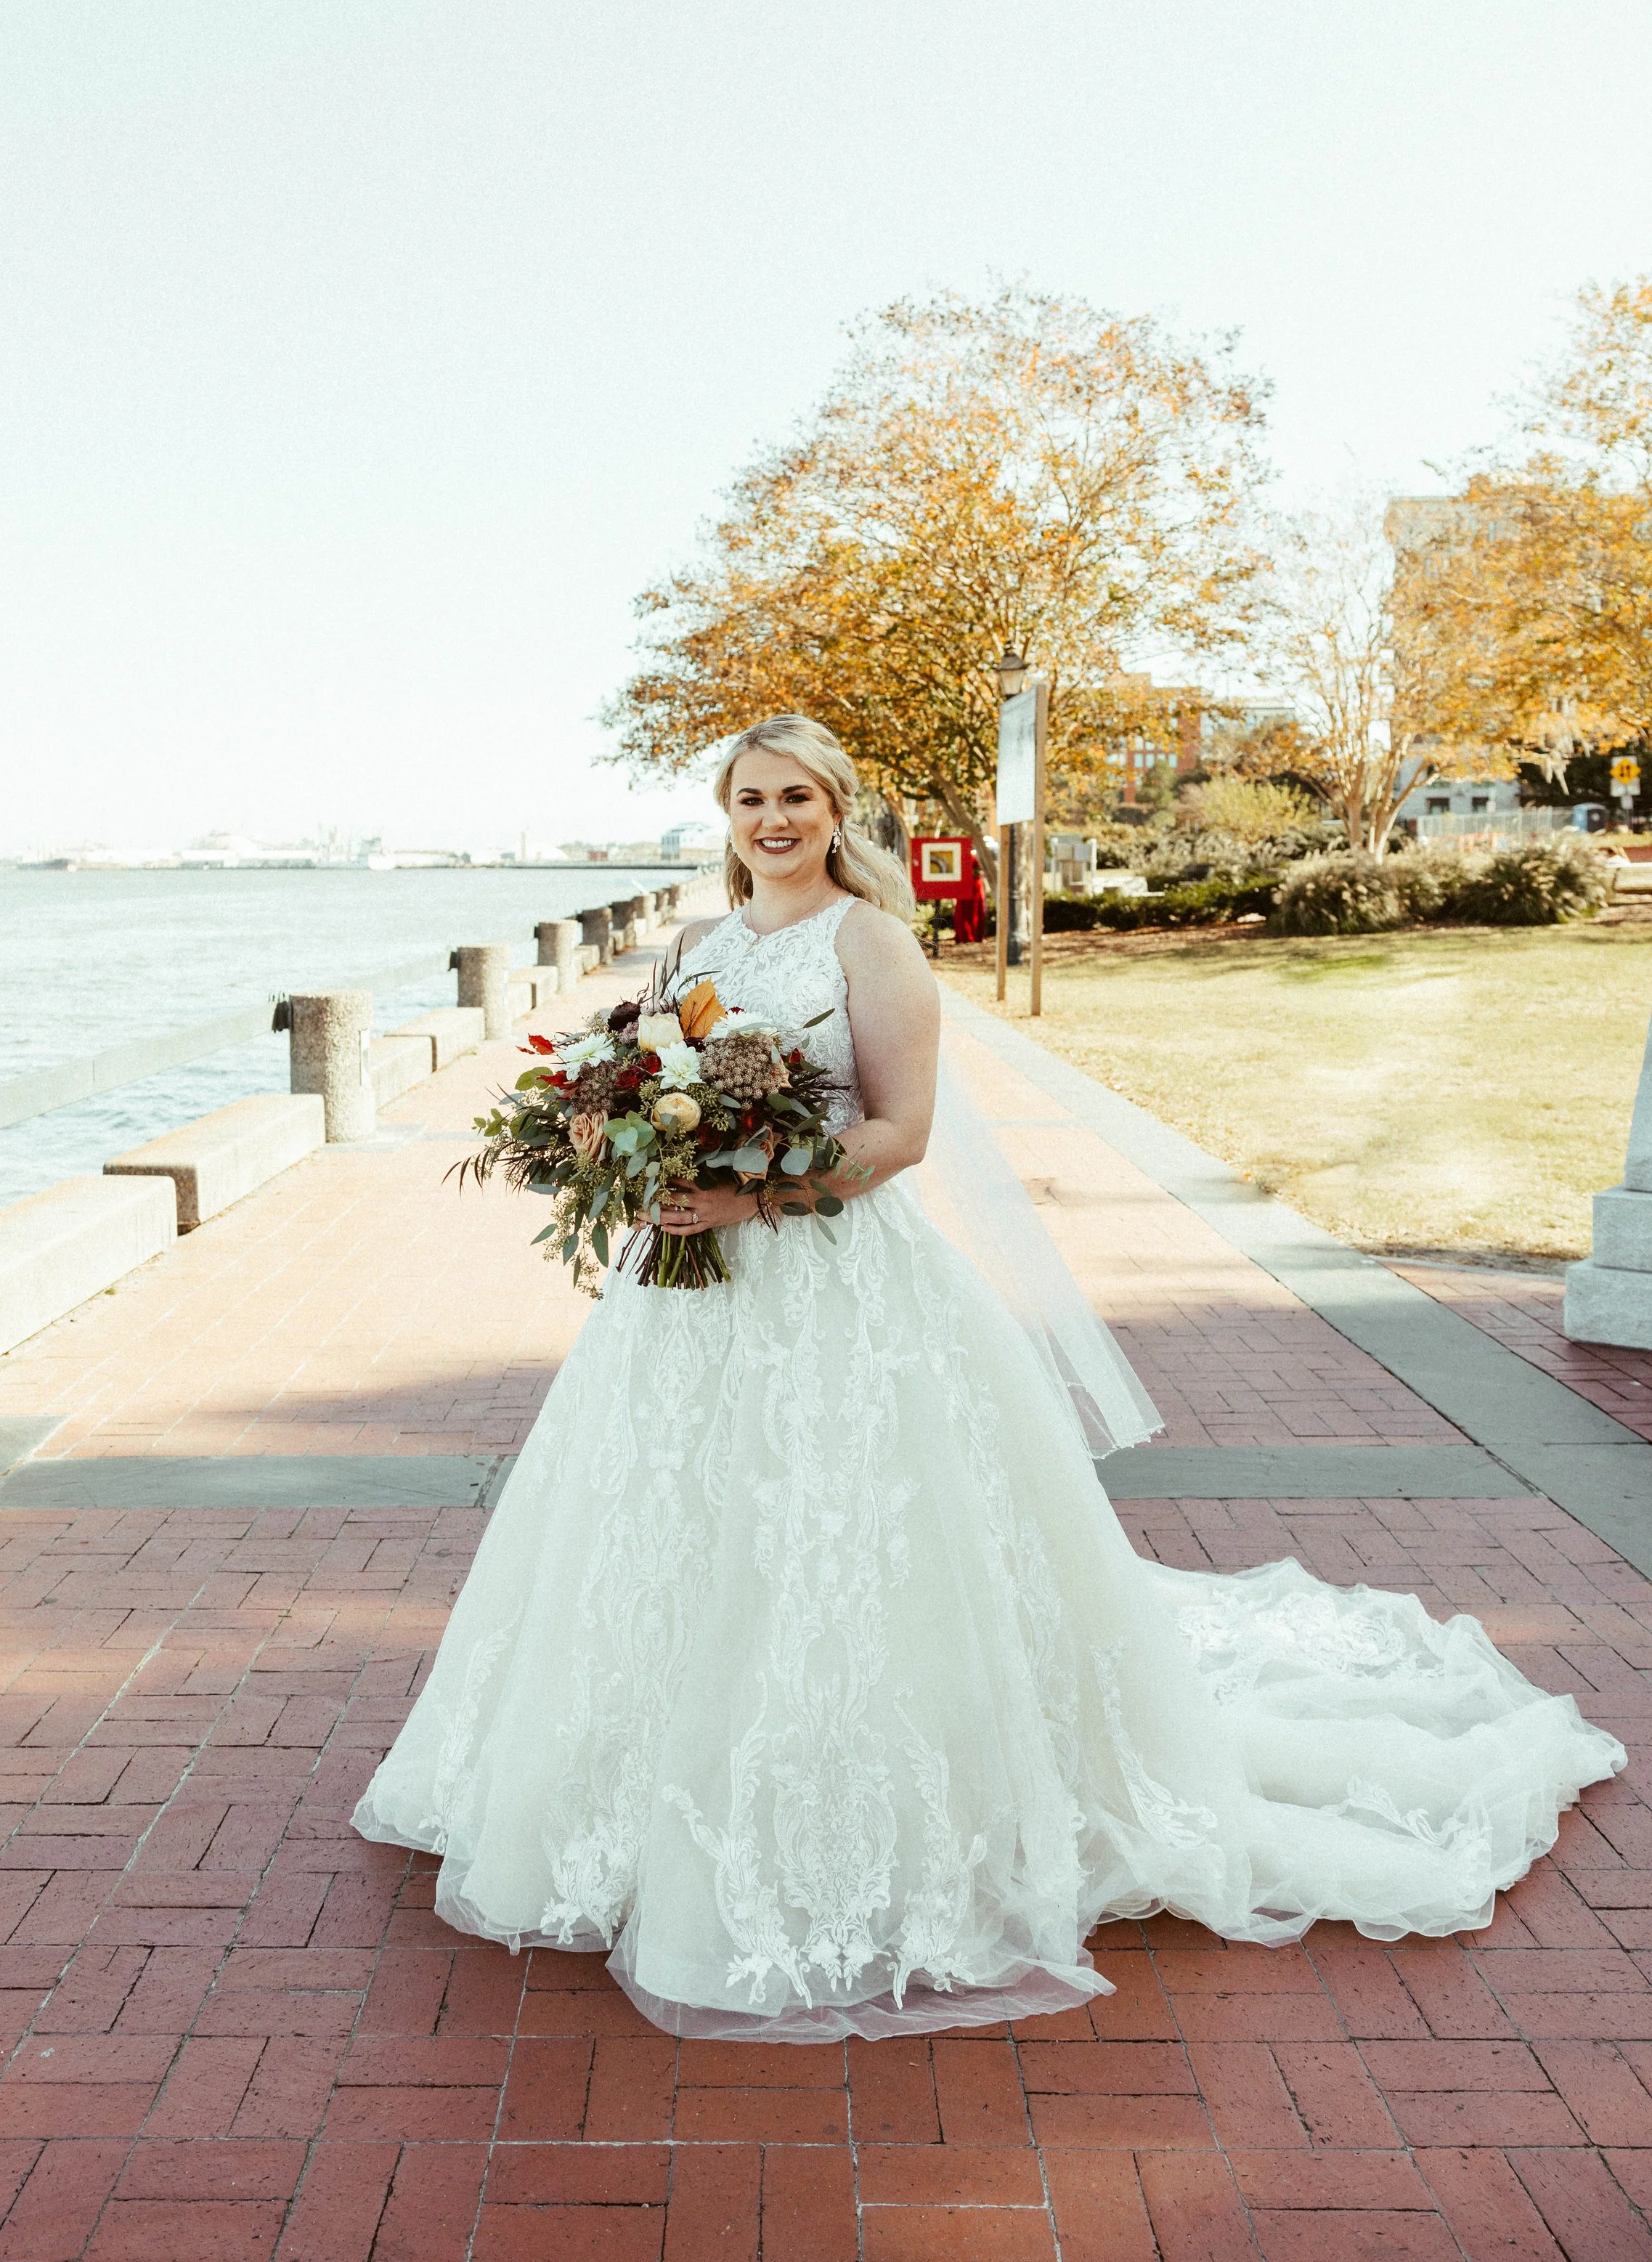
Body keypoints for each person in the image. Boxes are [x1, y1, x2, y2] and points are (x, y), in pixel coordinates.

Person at [352, 714, 1622, 2041]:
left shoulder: (871, 942)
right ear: (724, 815)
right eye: (750, 799)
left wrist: (746, 1193)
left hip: (836, 1289)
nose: (773, 820)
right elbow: (649, 1078)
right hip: (686, 1310)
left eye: (797, 797)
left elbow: (900, 1135)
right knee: (673, 1531)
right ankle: (629, 1798)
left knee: (844, 1543)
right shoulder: (697, 946)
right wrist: (640, 1158)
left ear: (839, 809)